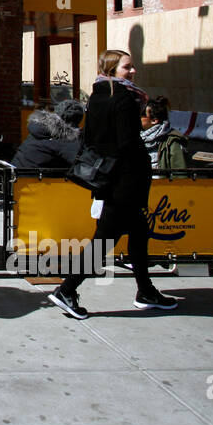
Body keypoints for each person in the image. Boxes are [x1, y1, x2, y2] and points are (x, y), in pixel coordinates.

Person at [48, 50, 179, 319]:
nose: (133, 72)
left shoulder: (97, 96)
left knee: (139, 233)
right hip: (125, 182)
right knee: (104, 240)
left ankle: (146, 291)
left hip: (110, 178)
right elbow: (127, 144)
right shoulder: (124, 99)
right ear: (111, 70)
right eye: (127, 68)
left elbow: (93, 139)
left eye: (132, 67)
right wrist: (139, 171)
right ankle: (67, 289)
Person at [11, 100, 83, 169]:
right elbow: (81, 164)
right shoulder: (65, 136)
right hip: (33, 179)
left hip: (15, 174)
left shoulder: (41, 128)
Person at [140, 97, 187, 171]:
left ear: (154, 120)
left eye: (142, 115)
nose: (139, 117)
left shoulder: (172, 142)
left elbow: (180, 175)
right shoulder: (136, 139)